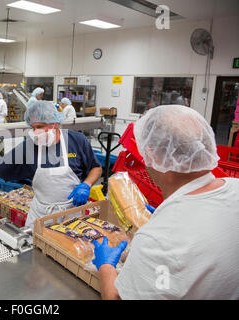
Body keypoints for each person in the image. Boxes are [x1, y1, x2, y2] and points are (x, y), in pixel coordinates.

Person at [93, 105, 239, 300]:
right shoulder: (235, 186)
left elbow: (115, 298)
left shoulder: (156, 241)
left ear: (151, 155)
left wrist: (105, 266)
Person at [0, 100, 103, 228]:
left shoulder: (77, 141)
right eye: (33, 127)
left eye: (40, 126)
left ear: (55, 124)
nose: (35, 131)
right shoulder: (29, 147)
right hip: (41, 215)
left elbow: (96, 167)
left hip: (72, 214)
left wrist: (86, 184)